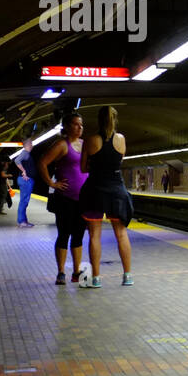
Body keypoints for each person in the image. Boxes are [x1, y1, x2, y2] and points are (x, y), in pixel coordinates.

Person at [78, 105, 134, 287]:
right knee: (121, 233)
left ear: (98, 120)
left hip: (95, 190)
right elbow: (118, 162)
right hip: (117, 191)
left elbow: (83, 168)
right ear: (114, 119)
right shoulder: (122, 140)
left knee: (94, 235)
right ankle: (127, 276)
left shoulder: (90, 140)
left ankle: (95, 279)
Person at [38, 111, 88, 284]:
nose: (80, 127)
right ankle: (61, 272)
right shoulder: (62, 145)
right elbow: (42, 163)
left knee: (79, 235)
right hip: (65, 198)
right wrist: (52, 184)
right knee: (64, 234)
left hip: (83, 198)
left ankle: (76, 271)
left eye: (81, 124)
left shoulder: (85, 145)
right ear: (67, 126)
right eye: (75, 124)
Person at [13, 137, 36, 228]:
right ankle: (21, 221)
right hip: (25, 180)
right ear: (27, 145)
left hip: (26, 180)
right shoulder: (25, 153)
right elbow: (16, 160)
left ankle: (24, 221)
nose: (32, 145)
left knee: (24, 201)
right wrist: (24, 171)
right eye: (31, 143)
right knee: (24, 201)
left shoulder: (26, 153)